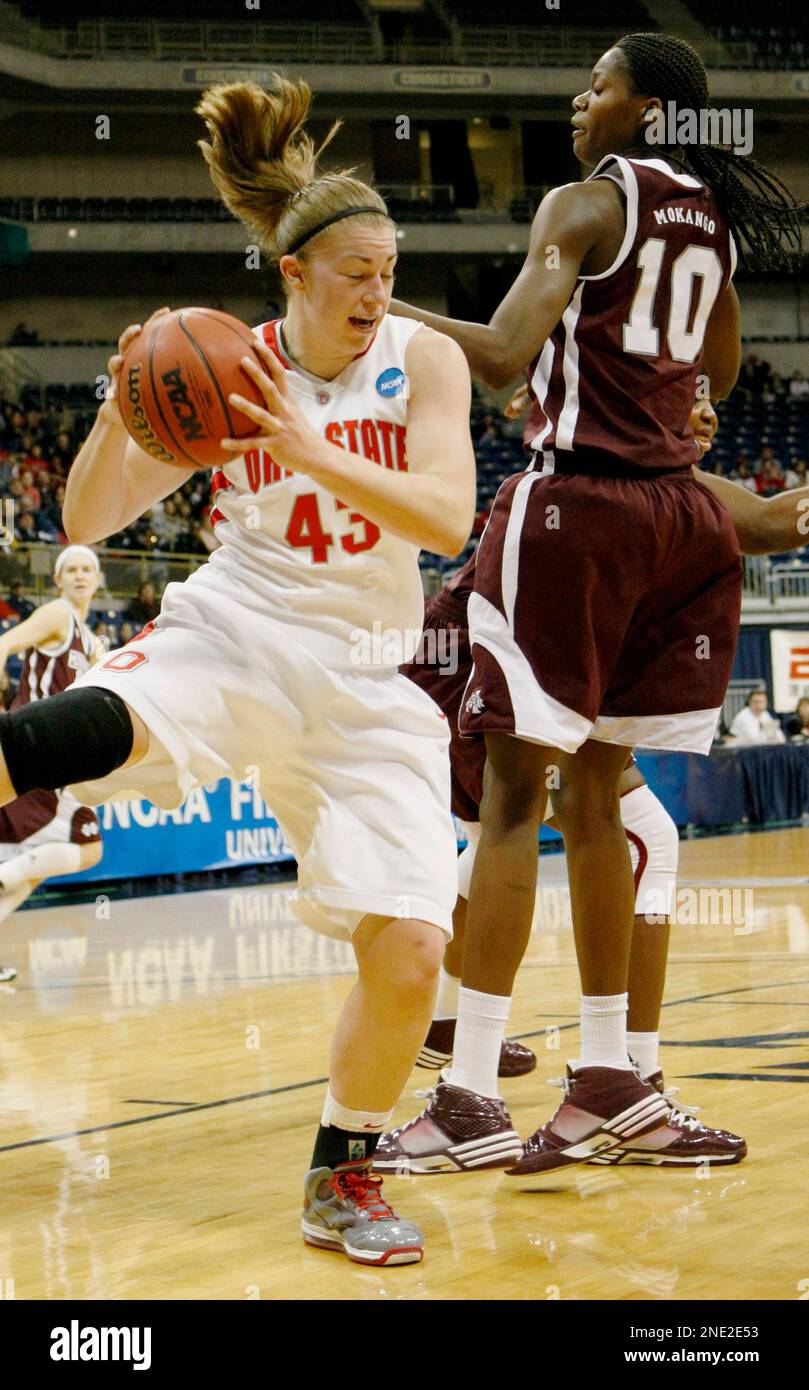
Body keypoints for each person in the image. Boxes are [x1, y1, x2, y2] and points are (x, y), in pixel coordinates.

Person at [0, 75, 476, 1266]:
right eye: (356, 271)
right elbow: (91, 515)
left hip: (372, 679)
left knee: (414, 947)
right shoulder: (223, 363)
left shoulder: (421, 361)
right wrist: (122, 409)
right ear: (294, 273)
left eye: (389, 267)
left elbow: (447, 519)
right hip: (238, 633)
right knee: (57, 736)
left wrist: (311, 446)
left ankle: (342, 1174)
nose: (378, 290)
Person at [381, 31, 803, 1182]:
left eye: (600, 83)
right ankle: (613, 1077)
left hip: (573, 512)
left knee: (515, 800)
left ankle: (467, 1093)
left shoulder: (581, 207)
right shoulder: (711, 223)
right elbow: (712, 371)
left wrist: (382, 313)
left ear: (651, 109)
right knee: (603, 792)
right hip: (671, 521)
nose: (578, 97)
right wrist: (664, 403)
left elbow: (509, 358)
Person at [377, 392, 809, 1173]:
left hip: (487, 649)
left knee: (504, 845)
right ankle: (608, 1073)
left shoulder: (655, 488)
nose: (703, 412)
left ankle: (463, 1031)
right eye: (686, 392)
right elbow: (517, 361)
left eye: (708, 399)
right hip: (472, 655)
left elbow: (776, 524)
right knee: (619, 831)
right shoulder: (596, 478)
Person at [0, 546, 105, 984]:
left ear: (97, 581)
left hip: (61, 765)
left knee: (44, 865)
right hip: (34, 750)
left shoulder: (91, 638)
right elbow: (6, 641)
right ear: (59, 580)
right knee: (86, 849)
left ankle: (8, 874)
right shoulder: (58, 615)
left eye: (87, 569)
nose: (80, 575)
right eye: (72, 570)